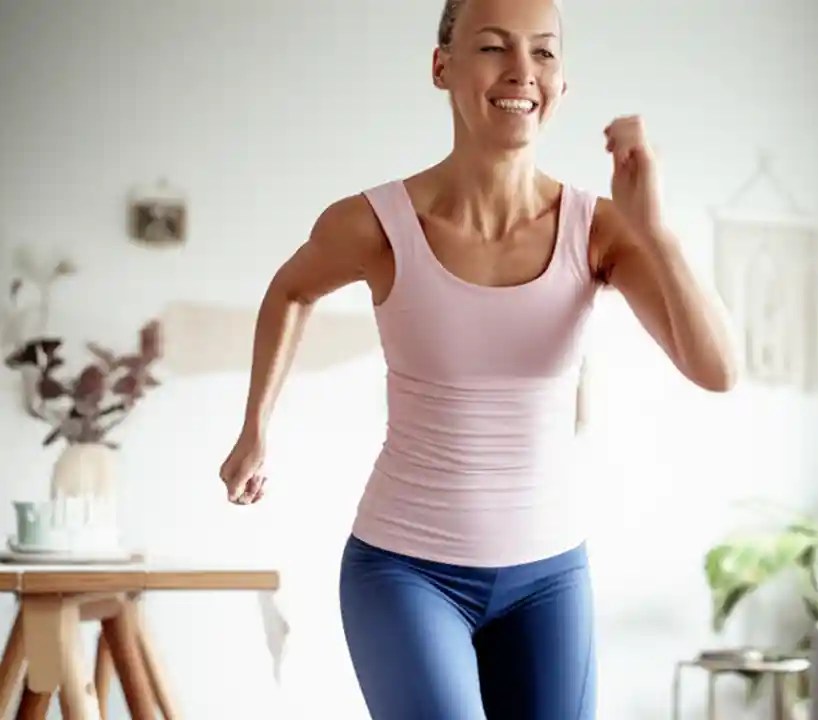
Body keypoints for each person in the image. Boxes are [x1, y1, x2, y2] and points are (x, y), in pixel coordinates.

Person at [217, 0, 737, 717]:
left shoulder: (598, 230)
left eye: (545, 52)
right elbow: (291, 289)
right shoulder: (376, 224)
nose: (522, 70)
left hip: (549, 577)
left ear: (562, 82)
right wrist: (255, 428)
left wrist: (657, 232)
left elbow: (716, 371)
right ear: (442, 67)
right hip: (404, 571)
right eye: (494, 47)